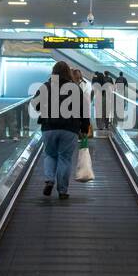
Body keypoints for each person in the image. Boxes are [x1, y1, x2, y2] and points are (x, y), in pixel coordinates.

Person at [34, 60, 87, 200]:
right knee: (65, 158)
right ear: (68, 73)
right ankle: (62, 191)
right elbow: (84, 110)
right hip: (70, 129)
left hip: (49, 127)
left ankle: (49, 180)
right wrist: (85, 128)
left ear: (53, 72)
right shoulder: (75, 88)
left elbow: (36, 106)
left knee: (50, 155)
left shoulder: (46, 86)